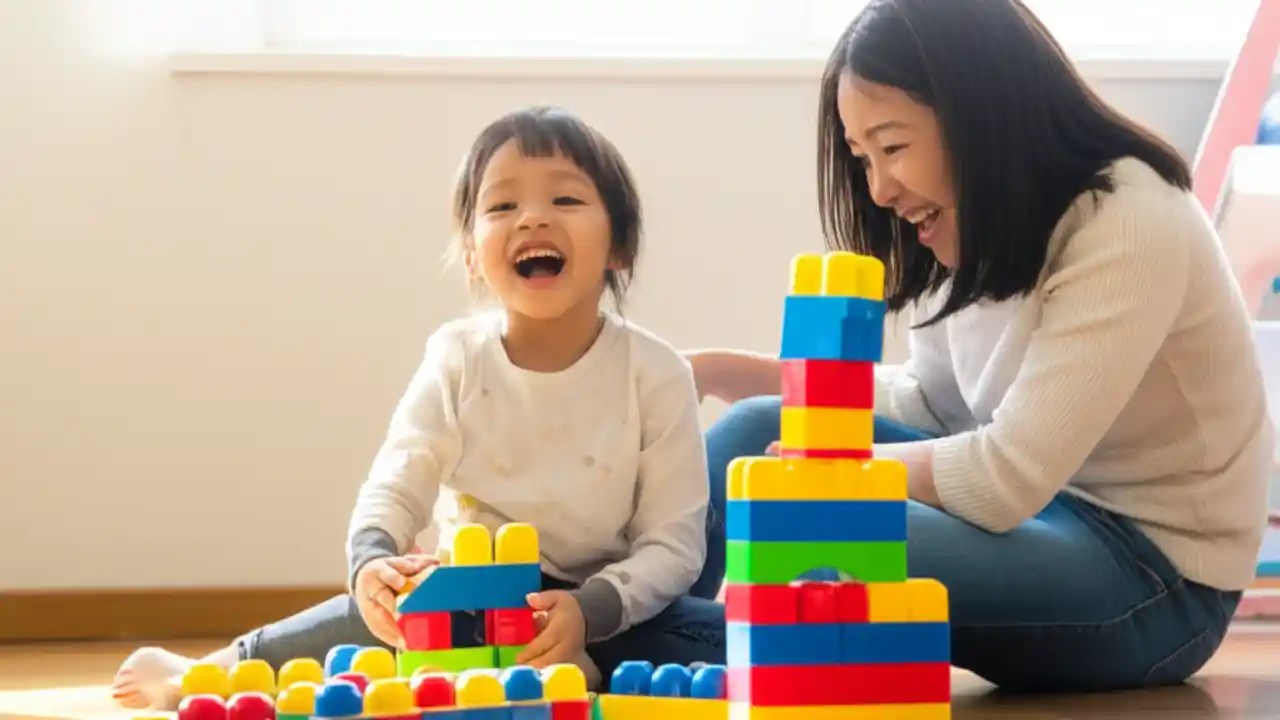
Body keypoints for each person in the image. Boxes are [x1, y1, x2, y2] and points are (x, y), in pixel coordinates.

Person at [686, 0, 1275, 693]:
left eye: (894, 147)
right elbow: (932, 403)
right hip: (1044, 518)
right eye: (862, 157)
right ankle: (646, 636)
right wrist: (725, 372)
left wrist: (831, 470)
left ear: (981, 117)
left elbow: (1004, 478)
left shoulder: (1130, 222)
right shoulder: (965, 221)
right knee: (756, 429)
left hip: (1156, 581)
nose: (879, 189)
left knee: (811, 527)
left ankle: (677, 653)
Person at [112, 105, 725, 710]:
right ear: (470, 256)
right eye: (503, 206)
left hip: (608, 606)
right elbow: (398, 481)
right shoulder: (456, 357)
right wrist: (373, 564)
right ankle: (211, 669)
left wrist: (589, 612)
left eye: (565, 201)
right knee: (375, 616)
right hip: (470, 596)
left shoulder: (656, 372)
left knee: (732, 637)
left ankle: (577, 661)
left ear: (618, 246)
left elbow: (672, 543)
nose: (533, 218)